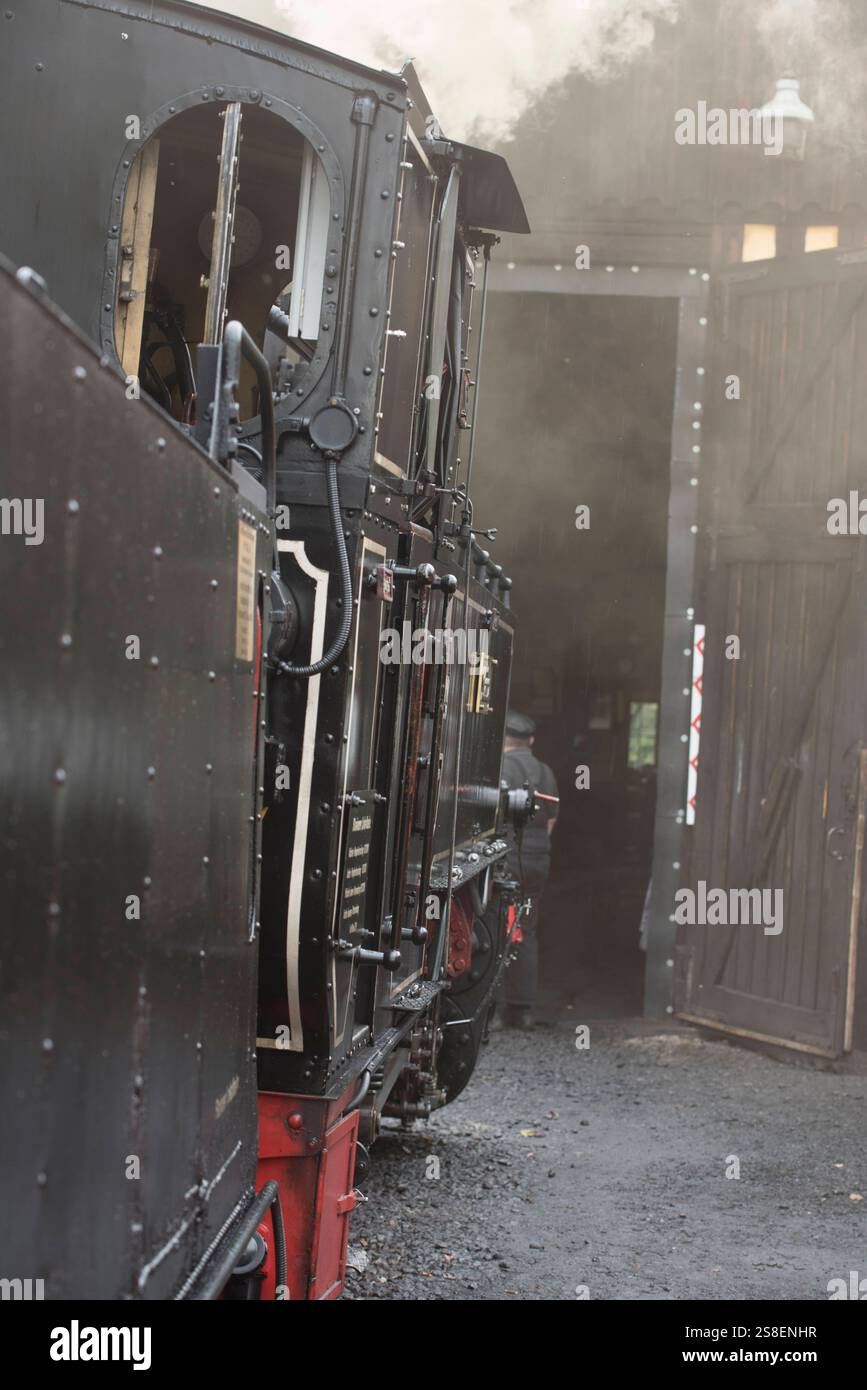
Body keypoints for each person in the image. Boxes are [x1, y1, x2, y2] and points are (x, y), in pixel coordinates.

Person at [499, 711, 558, 1028]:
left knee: (495, 927)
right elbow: (550, 820)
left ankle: (491, 1008)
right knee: (527, 928)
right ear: (531, 740)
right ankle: (521, 1010)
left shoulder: (499, 767)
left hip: (507, 858)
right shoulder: (546, 771)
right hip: (538, 859)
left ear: (503, 738)